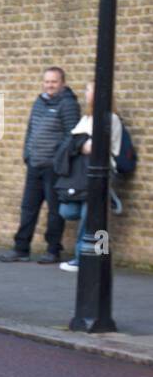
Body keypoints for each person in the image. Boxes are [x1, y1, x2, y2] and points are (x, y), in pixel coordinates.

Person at [0, 66, 79, 264]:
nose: (49, 85)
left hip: (53, 168)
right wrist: (27, 153)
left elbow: (72, 135)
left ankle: (53, 250)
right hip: (35, 164)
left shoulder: (68, 104)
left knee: (54, 210)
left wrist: (58, 159)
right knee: (28, 208)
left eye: (54, 81)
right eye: (47, 81)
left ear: (63, 83)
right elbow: (30, 129)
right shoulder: (39, 101)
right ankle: (21, 249)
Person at [54, 82, 125, 274]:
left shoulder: (111, 119)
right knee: (69, 211)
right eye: (87, 90)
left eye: (90, 90)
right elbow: (73, 142)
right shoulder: (87, 118)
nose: (86, 94)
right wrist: (80, 142)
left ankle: (83, 259)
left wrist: (81, 142)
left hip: (100, 175)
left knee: (90, 219)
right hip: (81, 175)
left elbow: (92, 147)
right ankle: (96, 253)